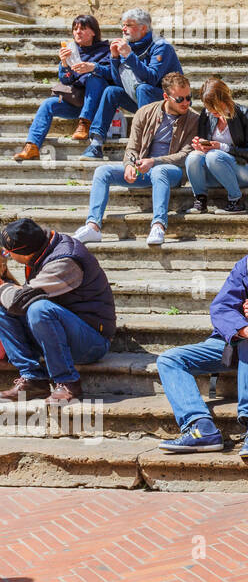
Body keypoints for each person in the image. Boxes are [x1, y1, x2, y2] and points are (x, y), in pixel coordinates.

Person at [156, 232, 248, 458]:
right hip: (240, 339)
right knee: (169, 359)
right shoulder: (246, 266)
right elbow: (221, 307)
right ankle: (200, 426)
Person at [72, 72, 199, 249]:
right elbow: (132, 148)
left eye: (189, 98)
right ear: (166, 97)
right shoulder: (145, 112)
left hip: (172, 172)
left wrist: (154, 161)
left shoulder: (194, 119)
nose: (186, 103)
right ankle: (93, 226)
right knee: (102, 171)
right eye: (180, 99)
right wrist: (129, 165)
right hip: (143, 170)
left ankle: (158, 225)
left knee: (159, 171)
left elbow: (185, 154)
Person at [0, 218, 116, 405]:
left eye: (8, 252)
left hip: (92, 341)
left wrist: (2, 286)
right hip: (59, 330)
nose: (7, 255)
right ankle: (33, 379)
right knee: (4, 307)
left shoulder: (65, 260)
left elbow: (18, 301)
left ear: (25, 254)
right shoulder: (42, 247)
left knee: (39, 309)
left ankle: (68, 381)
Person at [81, 8, 183, 160]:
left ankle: (144, 142)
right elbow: (119, 81)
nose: (123, 29)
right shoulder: (128, 45)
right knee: (111, 91)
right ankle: (96, 142)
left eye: (128, 25)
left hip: (168, 102)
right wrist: (115, 58)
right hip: (141, 100)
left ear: (143, 28)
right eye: (123, 25)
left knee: (143, 89)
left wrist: (128, 55)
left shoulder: (161, 46)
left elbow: (152, 78)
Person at [13, 15, 112, 161]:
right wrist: (64, 63)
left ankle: (85, 123)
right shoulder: (71, 50)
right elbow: (66, 80)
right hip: (77, 102)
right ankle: (32, 147)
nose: (78, 32)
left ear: (93, 32)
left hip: (98, 104)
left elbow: (113, 74)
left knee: (93, 78)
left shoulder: (105, 50)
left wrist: (93, 68)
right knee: (48, 104)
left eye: (83, 29)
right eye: (75, 29)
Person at [184, 77, 248, 215]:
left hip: (245, 170)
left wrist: (221, 147)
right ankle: (200, 200)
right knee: (193, 157)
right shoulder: (207, 114)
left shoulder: (244, 114)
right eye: (208, 108)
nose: (211, 112)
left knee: (214, 155)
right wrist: (201, 147)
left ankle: (236, 200)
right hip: (216, 171)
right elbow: (206, 146)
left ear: (225, 100)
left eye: (215, 108)